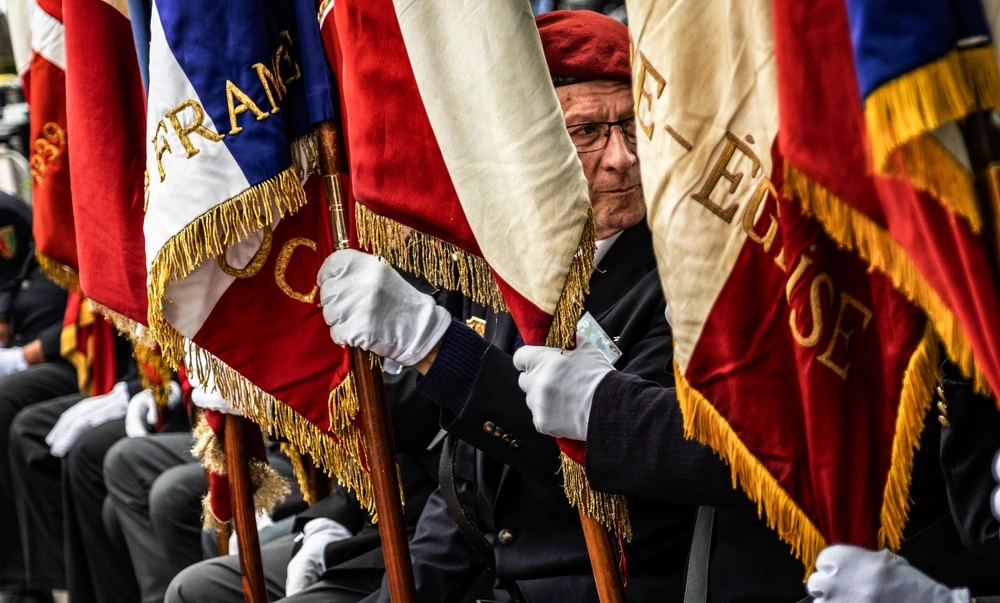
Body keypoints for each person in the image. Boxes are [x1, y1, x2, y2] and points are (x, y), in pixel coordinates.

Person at [315, 10, 804, 602]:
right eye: (588, 131)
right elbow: (468, 493)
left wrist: (439, 349)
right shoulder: (514, 260)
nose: (623, 157)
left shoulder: (687, 270)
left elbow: (602, 465)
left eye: (633, 125)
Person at [0, 191, 72, 603]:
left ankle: (23, 577)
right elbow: (12, 276)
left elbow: (97, 304)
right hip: (28, 347)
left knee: (5, 401)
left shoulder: (6, 212)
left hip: (70, 358)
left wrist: (28, 353)